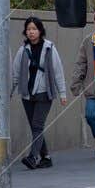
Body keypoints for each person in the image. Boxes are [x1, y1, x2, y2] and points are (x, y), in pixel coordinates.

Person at [12, 16, 68, 169]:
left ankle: (33, 157)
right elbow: (15, 73)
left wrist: (62, 93)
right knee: (35, 127)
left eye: (34, 29)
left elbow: (58, 72)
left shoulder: (49, 48)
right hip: (27, 94)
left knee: (37, 125)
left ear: (40, 31)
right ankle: (46, 157)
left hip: (44, 93)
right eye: (28, 29)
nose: (31, 32)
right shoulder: (23, 50)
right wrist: (9, 92)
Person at [73, 7, 95, 160]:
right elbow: (81, 64)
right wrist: (76, 83)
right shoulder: (88, 41)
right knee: (90, 116)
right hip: (93, 88)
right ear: (94, 21)